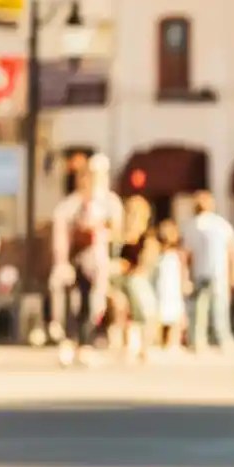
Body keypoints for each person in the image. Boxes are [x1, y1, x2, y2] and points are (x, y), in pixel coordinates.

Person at [50, 153, 122, 368]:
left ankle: (85, 344)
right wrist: (62, 260)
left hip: (96, 260)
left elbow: (117, 229)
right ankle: (69, 343)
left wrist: (102, 230)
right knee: (72, 303)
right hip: (75, 260)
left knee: (93, 304)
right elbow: (60, 232)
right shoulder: (71, 204)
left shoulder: (108, 202)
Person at [182, 191, 234, 353]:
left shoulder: (192, 225)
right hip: (219, 273)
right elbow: (233, 251)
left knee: (199, 310)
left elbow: (185, 255)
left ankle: (198, 342)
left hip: (200, 273)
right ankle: (223, 341)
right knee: (220, 309)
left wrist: (185, 277)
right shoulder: (221, 224)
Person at [118, 196, 160, 364]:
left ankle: (142, 348)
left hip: (141, 280)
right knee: (132, 315)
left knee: (145, 315)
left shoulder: (146, 237)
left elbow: (148, 260)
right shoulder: (123, 238)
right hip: (128, 280)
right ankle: (131, 347)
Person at [154, 219, 189, 352]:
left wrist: (185, 283)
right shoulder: (160, 254)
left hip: (172, 289)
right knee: (165, 314)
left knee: (174, 316)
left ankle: (173, 343)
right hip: (164, 288)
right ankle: (165, 342)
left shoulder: (177, 254)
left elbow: (183, 271)